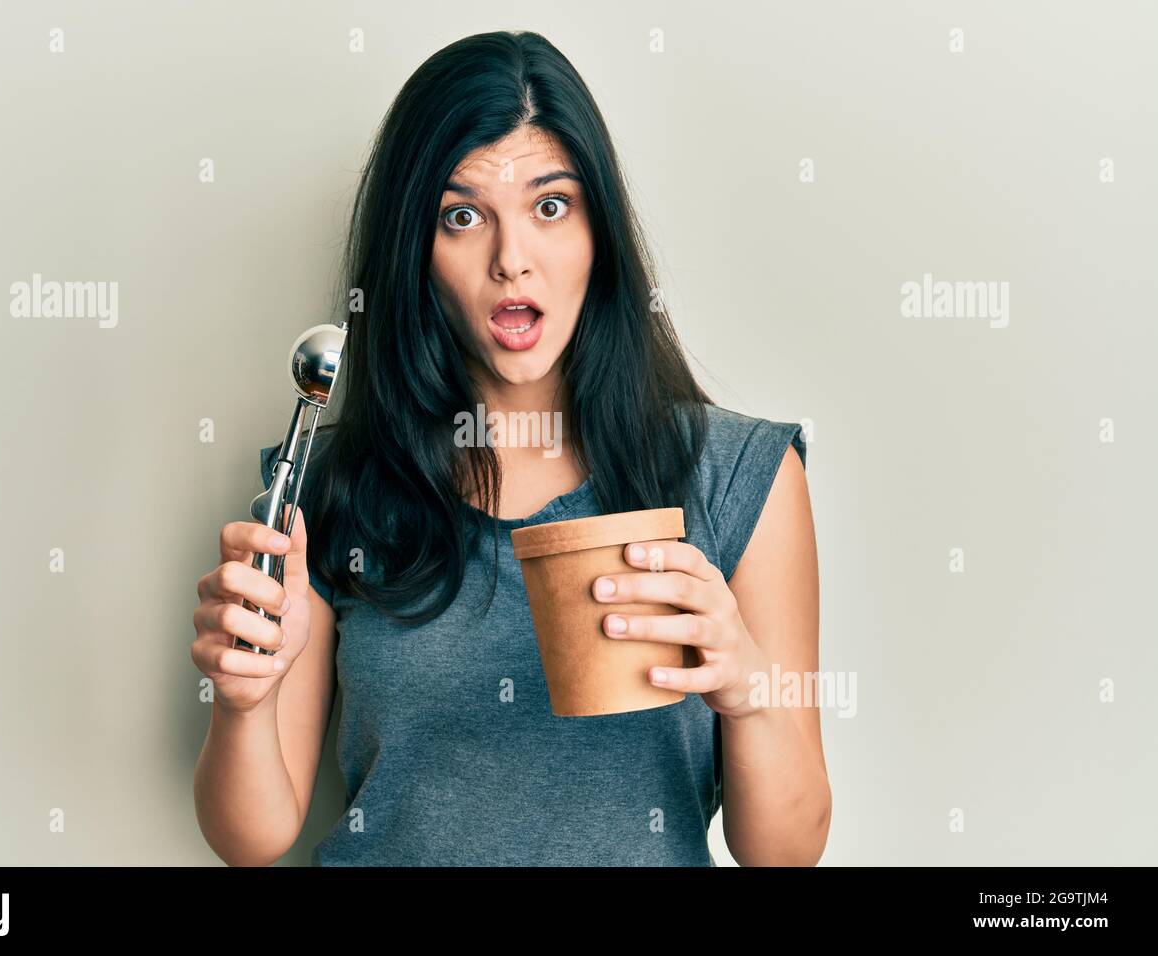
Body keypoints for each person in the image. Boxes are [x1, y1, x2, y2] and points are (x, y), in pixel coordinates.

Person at [192, 30, 828, 866]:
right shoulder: (332, 486)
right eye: (462, 217)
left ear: (599, 235)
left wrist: (748, 691)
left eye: (550, 206)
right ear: (416, 253)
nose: (511, 260)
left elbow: (787, 851)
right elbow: (254, 835)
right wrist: (241, 703)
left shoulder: (742, 478)